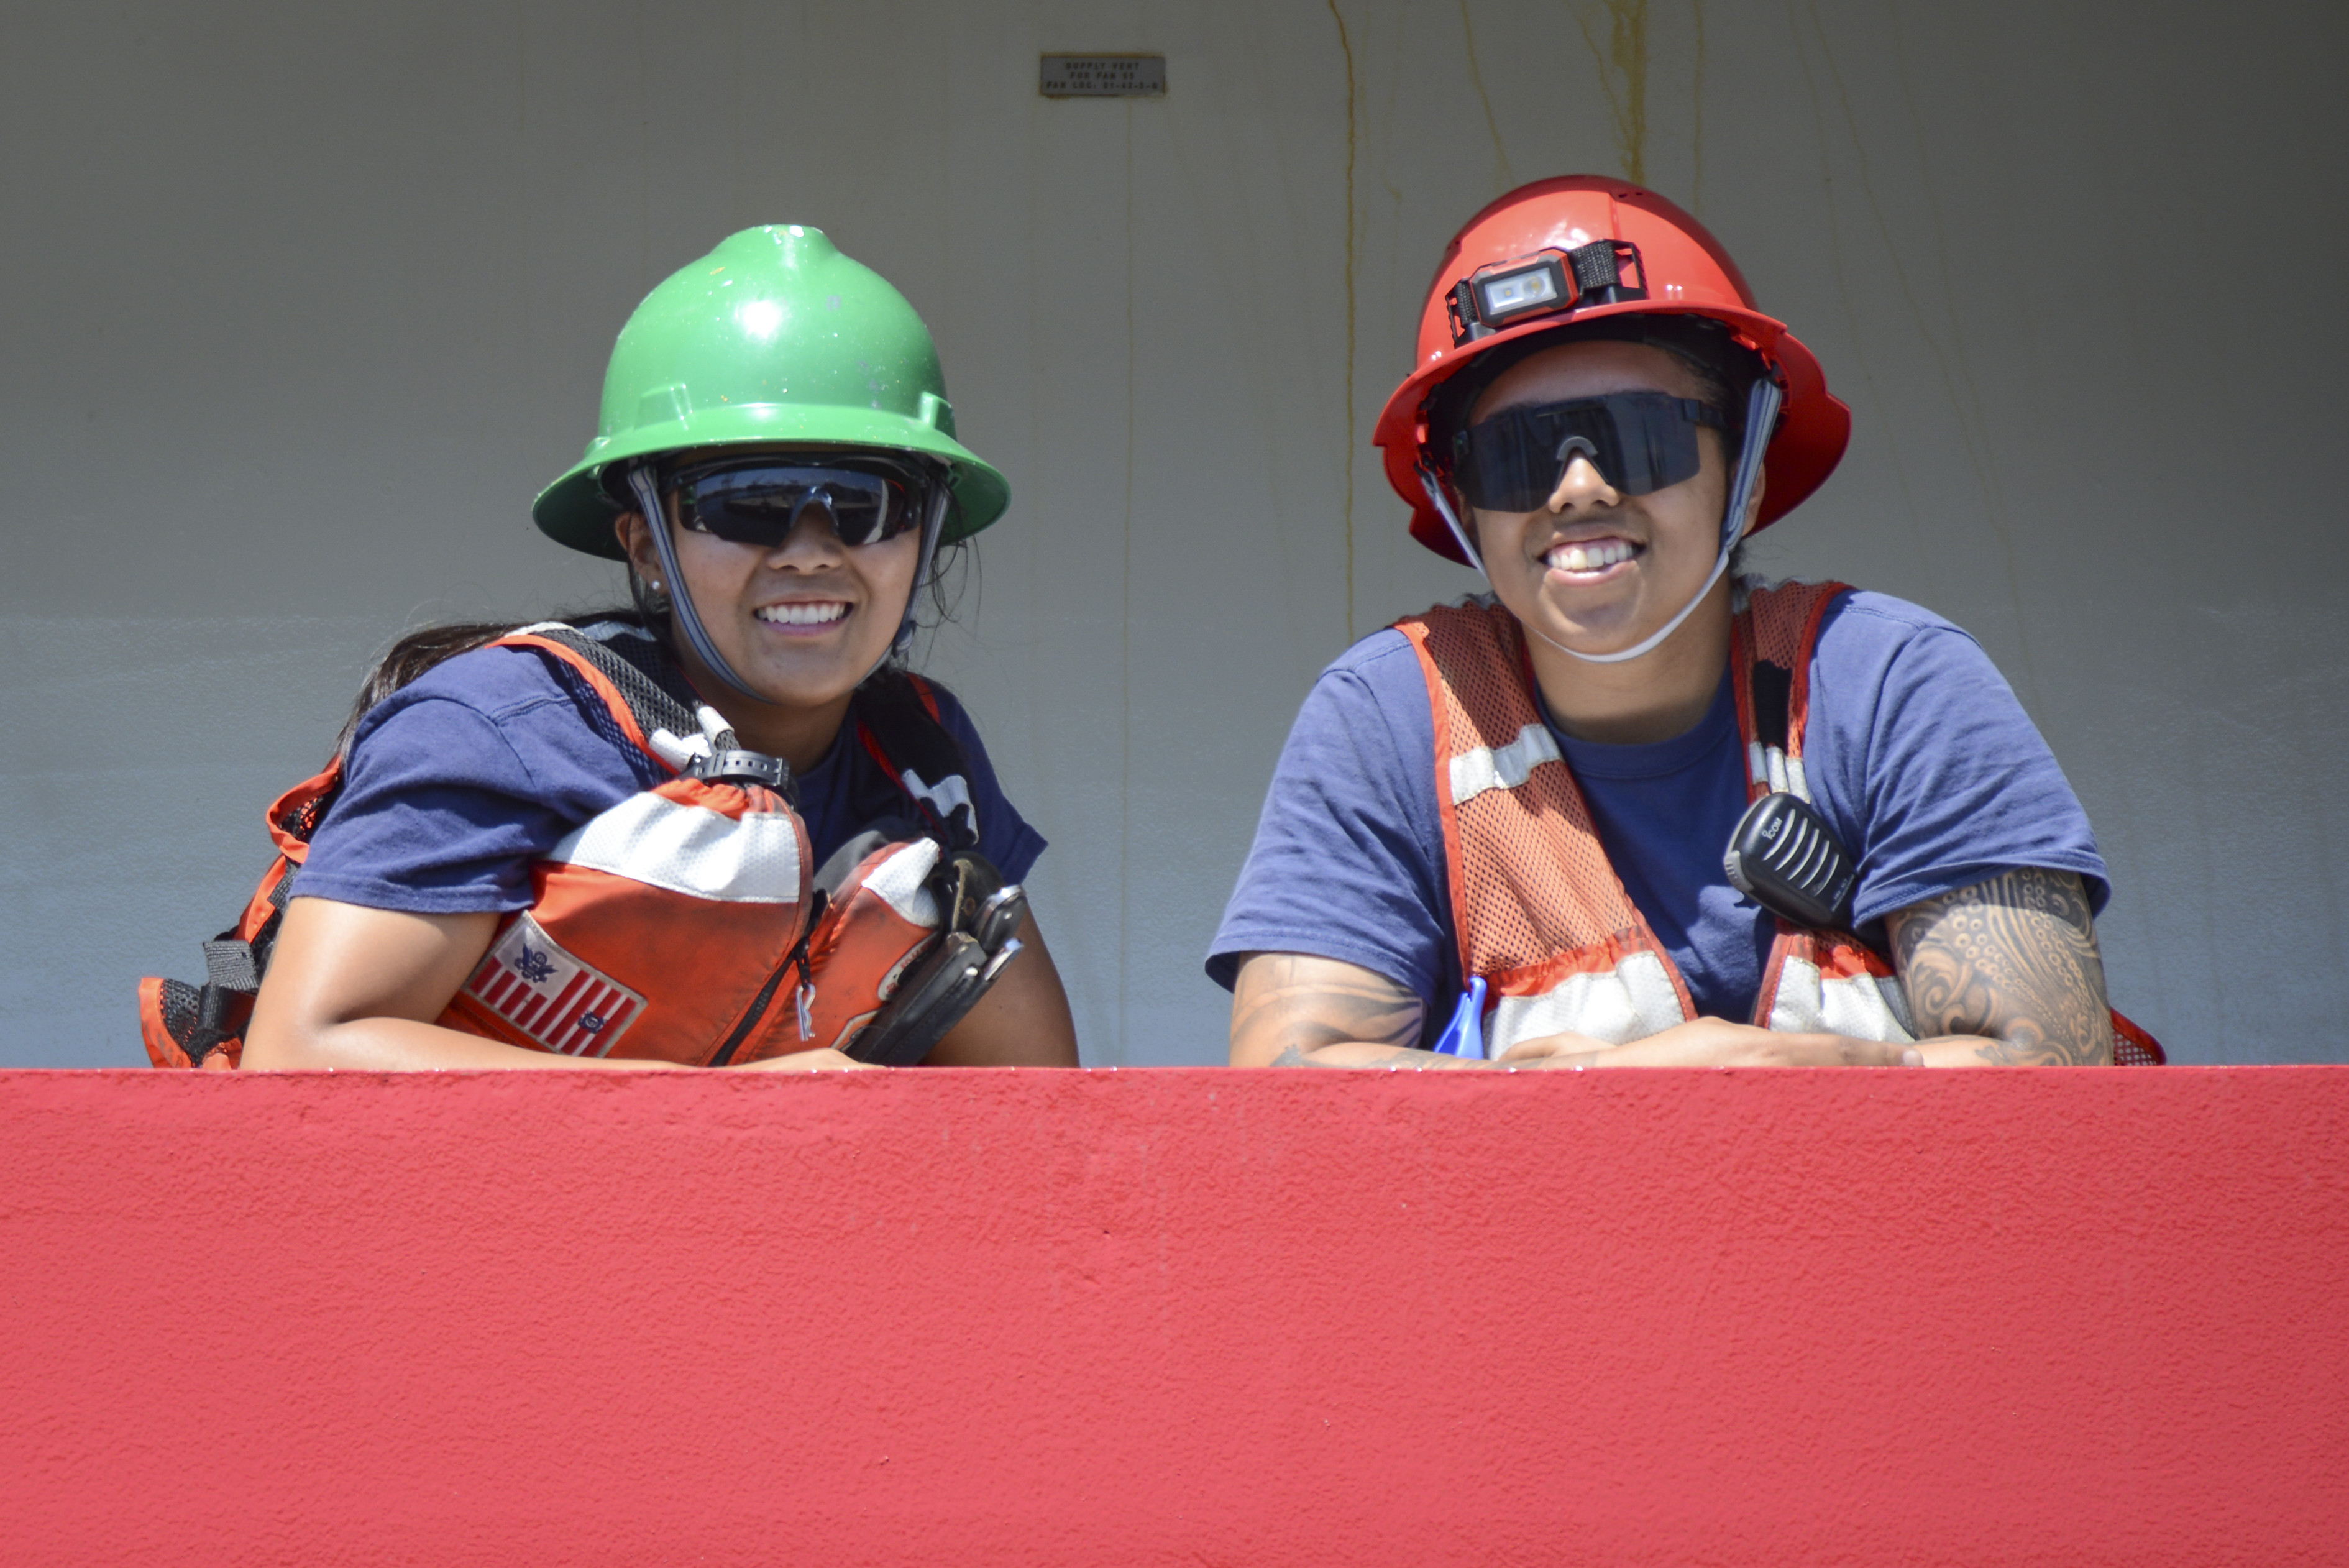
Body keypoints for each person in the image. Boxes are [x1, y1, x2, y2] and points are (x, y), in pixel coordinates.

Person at [1211, 177, 2158, 1070]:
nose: (1579, 488)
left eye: (1641, 436)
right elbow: (1288, 1100)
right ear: (1462, 510)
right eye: (1516, 457)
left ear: (1742, 477)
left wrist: (1787, 1076)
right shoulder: (1386, 719)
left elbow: (2055, 1079)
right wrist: (1592, 1097)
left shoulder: (1892, 682)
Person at [141, 224, 1078, 1071]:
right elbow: (307, 1047)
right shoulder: (501, 729)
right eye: (745, 501)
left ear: (925, 536)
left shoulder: (927, 766)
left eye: (870, 502)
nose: (809, 551)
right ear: (646, 546)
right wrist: (729, 1112)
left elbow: (1034, 1104)